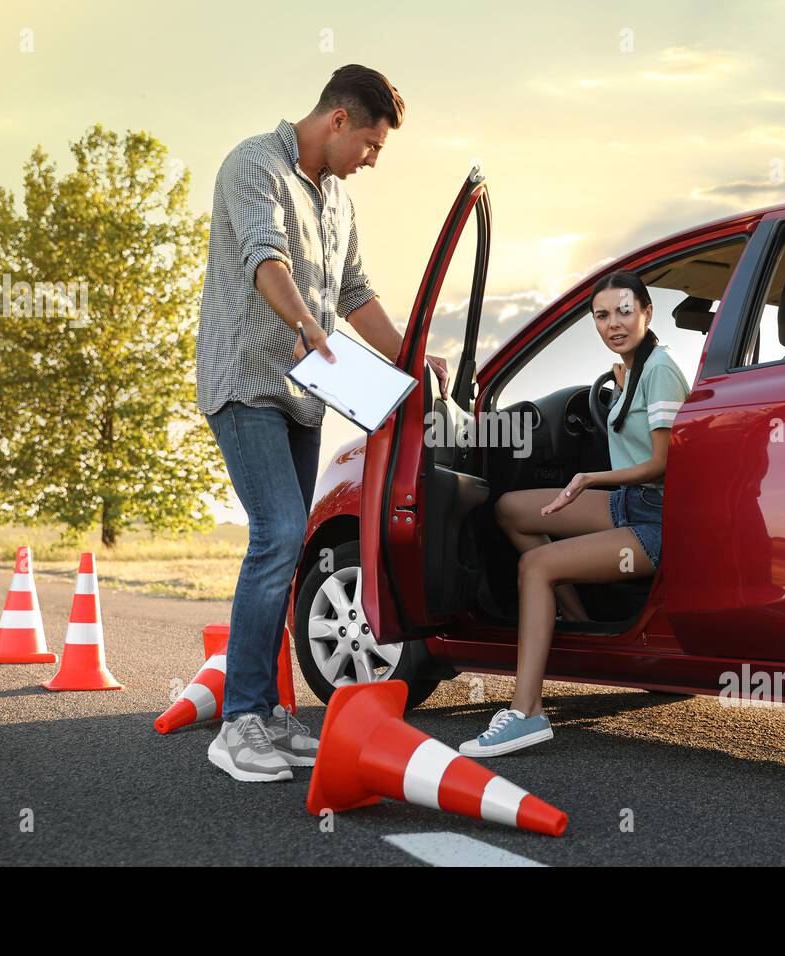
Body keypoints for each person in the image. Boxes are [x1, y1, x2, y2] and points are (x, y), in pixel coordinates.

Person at [196, 64, 449, 782]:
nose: (371, 160)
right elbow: (263, 260)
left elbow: (356, 292)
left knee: (284, 543)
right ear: (339, 120)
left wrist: (412, 361)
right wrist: (308, 325)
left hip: (305, 394)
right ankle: (239, 721)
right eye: (370, 145)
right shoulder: (255, 164)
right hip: (244, 383)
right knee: (276, 535)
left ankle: (268, 713)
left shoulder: (337, 200)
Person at [458, 270, 689, 757]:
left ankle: (527, 712)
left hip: (657, 519)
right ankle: (575, 619)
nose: (613, 324)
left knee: (535, 565)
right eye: (601, 316)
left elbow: (664, 465)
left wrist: (588, 478)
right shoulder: (626, 370)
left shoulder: (660, 369)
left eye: (624, 312)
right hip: (627, 502)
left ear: (647, 312)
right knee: (512, 509)